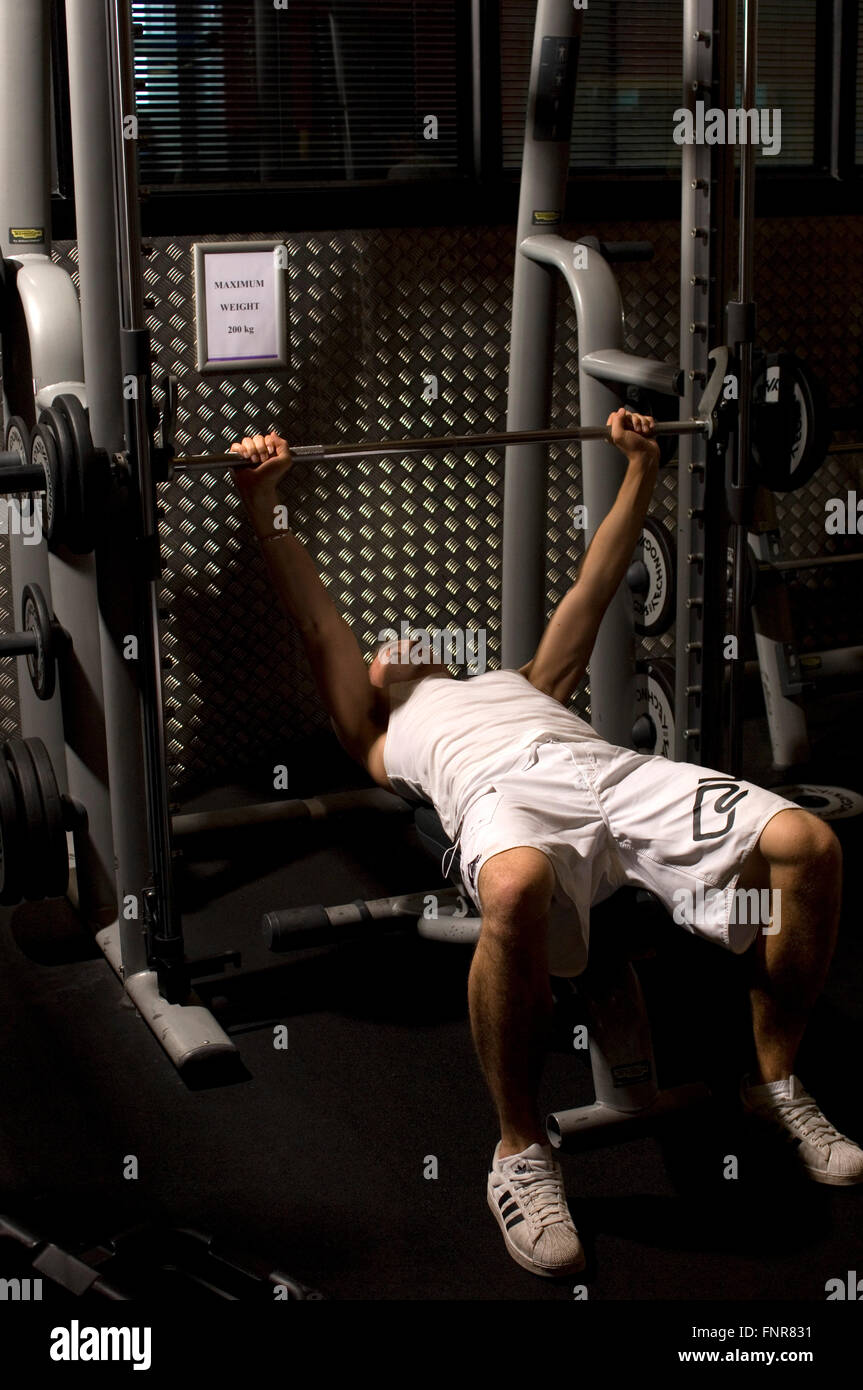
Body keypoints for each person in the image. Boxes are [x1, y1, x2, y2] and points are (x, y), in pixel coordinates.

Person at [230, 414, 863, 1280]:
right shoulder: (379, 732)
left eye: (417, 641)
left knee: (807, 843)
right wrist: (264, 504)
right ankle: (520, 1153)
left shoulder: (522, 682)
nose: (401, 642)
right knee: (517, 886)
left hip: (606, 771)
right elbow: (316, 622)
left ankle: (773, 1083)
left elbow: (596, 586)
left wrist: (640, 467)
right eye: (387, 648)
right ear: (373, 682)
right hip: (504, 798)